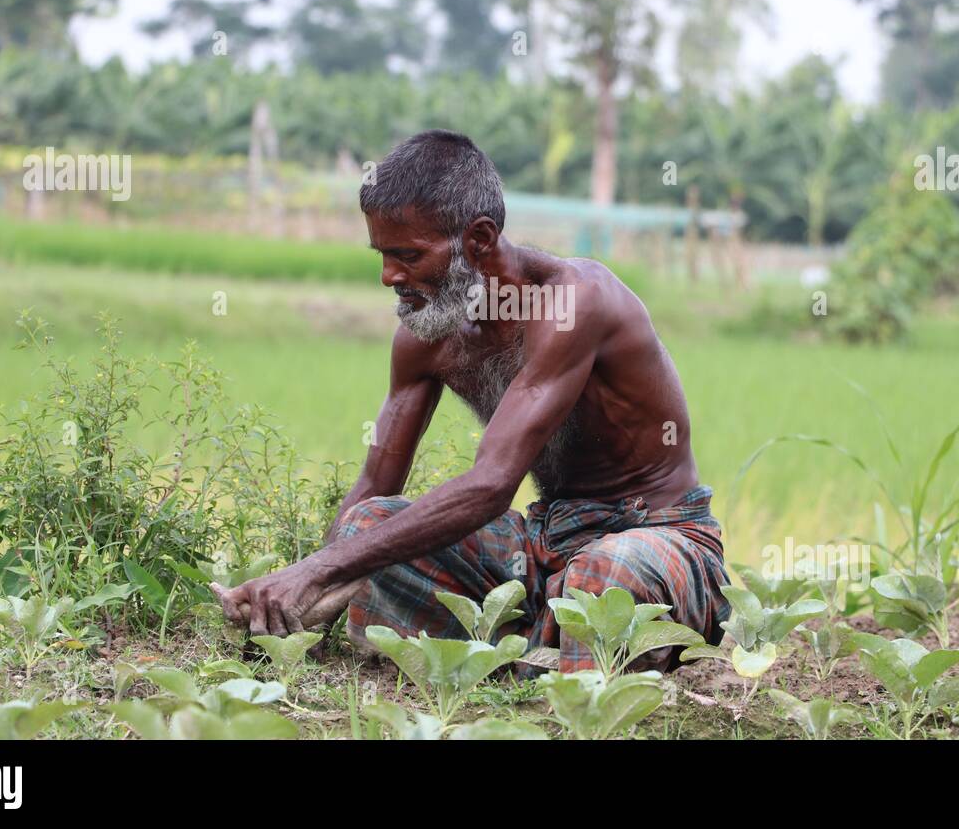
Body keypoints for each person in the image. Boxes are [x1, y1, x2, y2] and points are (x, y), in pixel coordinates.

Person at [214, 130, 728, 672]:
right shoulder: (425, 332)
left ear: (480, 239)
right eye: (383, 255)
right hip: (545, 540)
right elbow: (374, 487)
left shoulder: (572, 302)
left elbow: (490, 485)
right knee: (366, 525)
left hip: (654, 535)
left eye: (408, 255)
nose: (389, 275)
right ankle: (540, 652)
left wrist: (319, 571)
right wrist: (301, 598)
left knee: (605, 574)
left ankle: (540, 656)